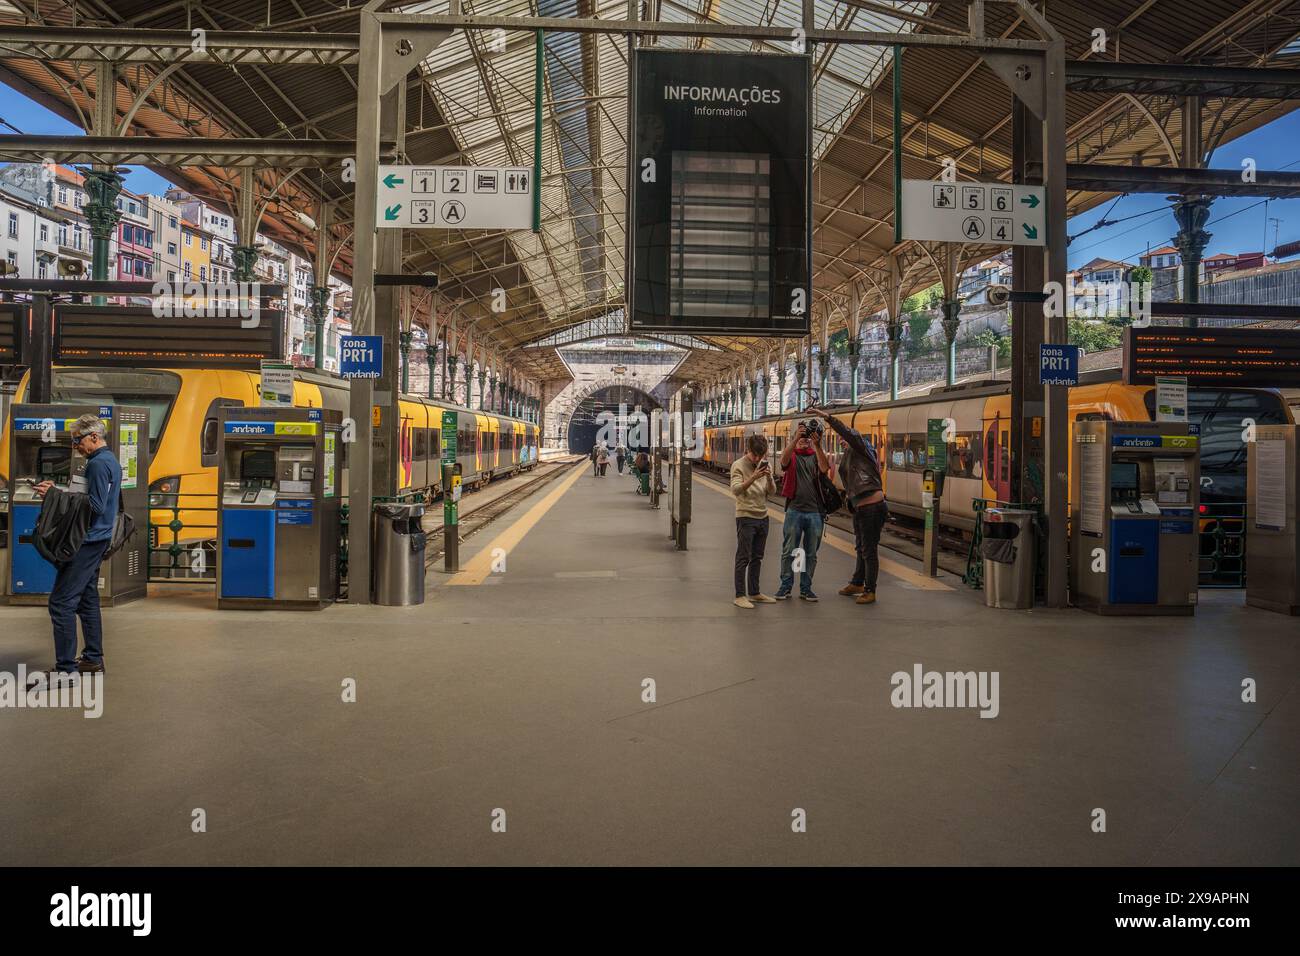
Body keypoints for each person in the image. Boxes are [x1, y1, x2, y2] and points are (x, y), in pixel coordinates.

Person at [33, 413, 122, 684]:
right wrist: (61, 490)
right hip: (98, 539)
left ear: (94, 437)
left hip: (85, 541)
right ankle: (93, 660)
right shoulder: (109, 461)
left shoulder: (97, 464)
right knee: (87, 600)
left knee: (60, 604)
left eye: (77, 441)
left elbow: (94, 506)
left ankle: (65, 670)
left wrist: (54, 495)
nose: (75, 447)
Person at [807, 407, 888, 605]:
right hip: (860, 508)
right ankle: (858, 583)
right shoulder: (851, 455)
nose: (842, 440)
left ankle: (870, 590)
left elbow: (848, 434)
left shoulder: (862, 447)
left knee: (869, 549)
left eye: (844, 437)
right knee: (861, 547)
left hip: (872, 507)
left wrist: (826, 417)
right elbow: (827, 469)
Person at [776, 417, 830, 601]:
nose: (805, 438)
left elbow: (824, 468)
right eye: (802, 436)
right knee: (790, 550)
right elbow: (782, 462)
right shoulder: (792, 456)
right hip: (794, 510)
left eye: (807, 437)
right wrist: (794, 439)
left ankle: (806, 588)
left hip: (815, 511)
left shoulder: (816, 455)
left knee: (811, 553)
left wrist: (818, 445)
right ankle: (786, 586)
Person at [730, 435, 777, 609]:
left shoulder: (765, 465)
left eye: (760, 456)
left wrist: (770, 477)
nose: (757, 459)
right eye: (754, 455)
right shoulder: (738, 465)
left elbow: (771, 492)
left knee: (757, 557)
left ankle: (755, 592)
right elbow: (735, 489)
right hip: (745, 516)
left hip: (763, 517)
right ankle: (740, 595)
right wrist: (753, 477)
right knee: (743, 557)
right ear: (747, 450)